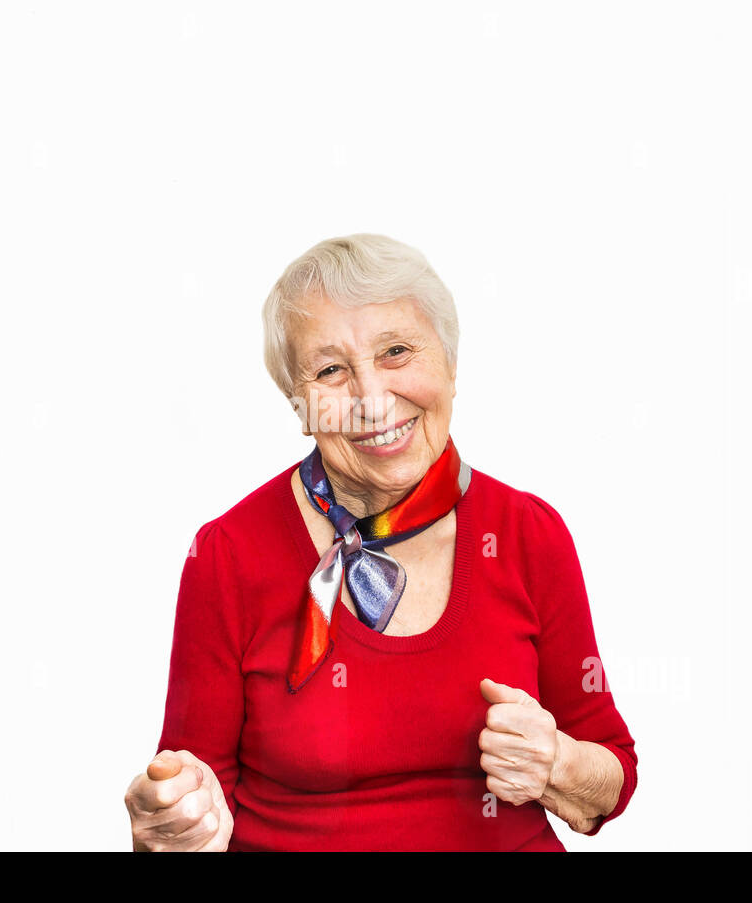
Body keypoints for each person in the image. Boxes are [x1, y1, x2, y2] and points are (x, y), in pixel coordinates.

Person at [125, 234, 637, 850]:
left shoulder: (530, 533)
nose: (370, 401)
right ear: (299, 403)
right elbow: (189, 798)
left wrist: (556, 763)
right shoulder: (227, 554)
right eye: (331, 370)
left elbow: (611, 778)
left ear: (450, 365)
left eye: (397, 351)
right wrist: (176, 819)